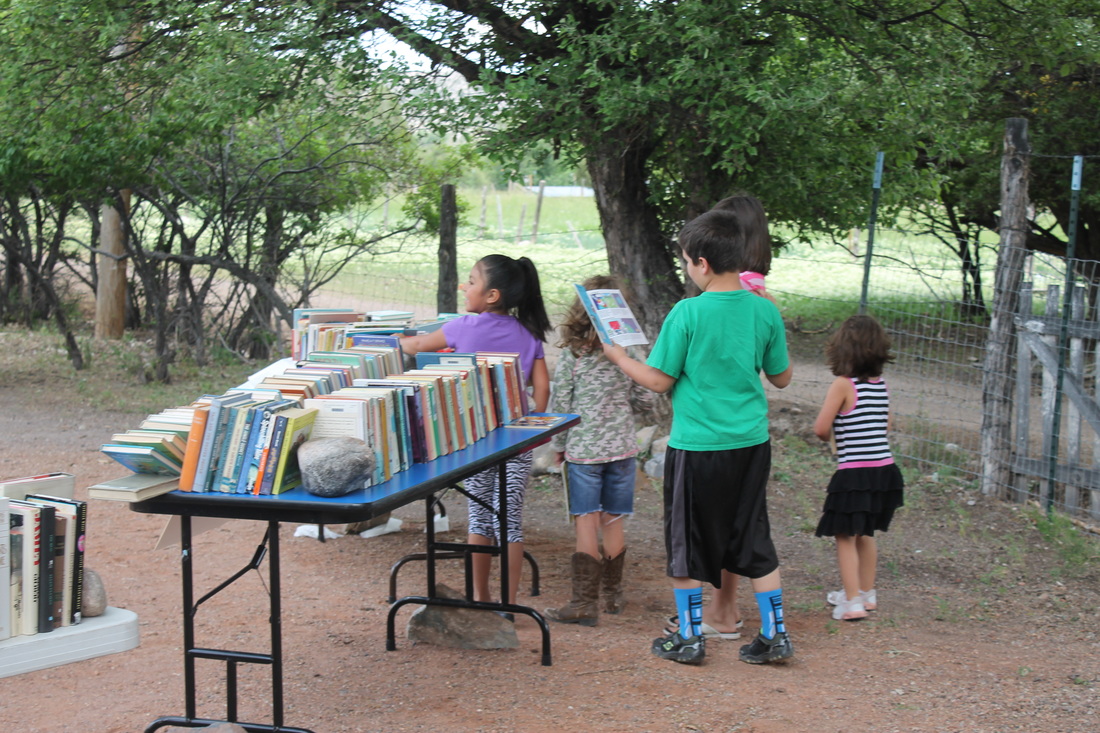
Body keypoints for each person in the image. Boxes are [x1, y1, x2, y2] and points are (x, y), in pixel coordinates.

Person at [603, 202, 794, 665]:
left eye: (687, 261)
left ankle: (689, 637)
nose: (688, 268)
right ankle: (775, 635)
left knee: (686, 542)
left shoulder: (686, 313)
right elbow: (782, 377)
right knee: (754, 536)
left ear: (702, 263)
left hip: (698, 448)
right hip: (751, 444)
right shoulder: (764, 310)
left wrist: (620, 358)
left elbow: (659, 381)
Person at [401, 254, 552, 610]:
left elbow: (417, 346)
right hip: (517, 441)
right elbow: (543, 388)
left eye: (471, 281)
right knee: (510, 521)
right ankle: (509, 605)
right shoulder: (529, 333)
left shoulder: (463, 327)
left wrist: (397, 340)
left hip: (477, 441)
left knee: (479, 518)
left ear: (492, 295)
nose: (463, 286)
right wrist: (532, 427)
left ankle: (480, 598)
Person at [544, 275, 655, 627]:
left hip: (583, 452)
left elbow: (562, 404)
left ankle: (583, 603)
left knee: (586, 519)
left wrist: (559, 446)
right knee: (614, 518)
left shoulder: (574, 356)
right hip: (623, 450)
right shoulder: (629, 353)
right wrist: (622, 411)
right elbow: (646, 397)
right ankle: (613, 595)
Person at [812, 314, 905, 621]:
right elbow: (886, 425)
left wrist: (834, 435)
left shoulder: (842, 385)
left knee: (844, 535)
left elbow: (821, 428)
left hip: (854, 472)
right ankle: (866, 594)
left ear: (841, 349)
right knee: (866, 533)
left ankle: (851, 602)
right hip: (885, 470)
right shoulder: (881, 385)